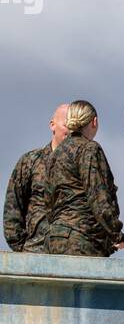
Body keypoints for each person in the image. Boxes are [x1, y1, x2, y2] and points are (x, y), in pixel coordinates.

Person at [43, 100, 124, 257]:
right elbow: (98, 198)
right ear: (94, 122)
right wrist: (117, 234)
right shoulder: (90, 149)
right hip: (83, 239)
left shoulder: (54, 154)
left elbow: (48, 200)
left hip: (54, 239)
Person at [4, 104, 69, 252]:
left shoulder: (85, 164)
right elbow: (13, 207)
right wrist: (22, 249)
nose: (71, 130)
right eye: (66, 124)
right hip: (35, 250)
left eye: (75, 125)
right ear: (53, 125)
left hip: (72, 254)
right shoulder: (31, 161)